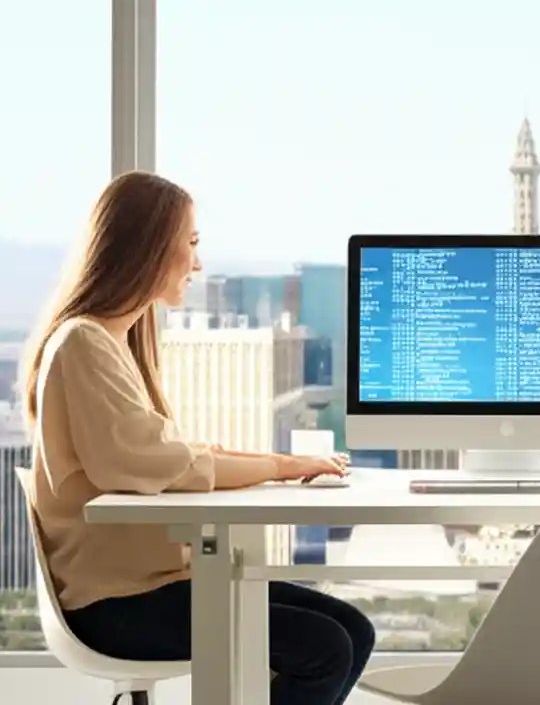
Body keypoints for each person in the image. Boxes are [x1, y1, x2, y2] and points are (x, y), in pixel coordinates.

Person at [20, 171, 375, 705]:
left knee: (353, 631)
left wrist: (283, 462)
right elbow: (159, 463)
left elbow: (177, 455)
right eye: (190, 243)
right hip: (116, 603)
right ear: (149, 248)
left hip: (150, 586)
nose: (199, 262)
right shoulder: (83, 344)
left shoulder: (112, 344)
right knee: (324, 647)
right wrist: (279, 467)